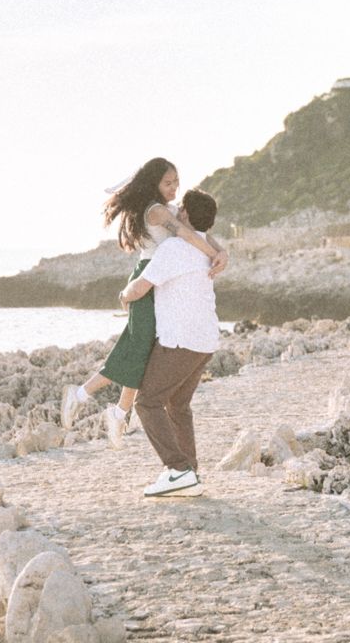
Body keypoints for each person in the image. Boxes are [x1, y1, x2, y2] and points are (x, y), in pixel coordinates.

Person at [60, 158, 227, 446]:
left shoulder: (170, 209)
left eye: (176, 182)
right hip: (148, 276)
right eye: (168, 183)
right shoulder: (156, 211)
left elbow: (200, 232)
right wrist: (214, 255)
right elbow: (187, 234)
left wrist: (223, 252)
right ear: (154, 183)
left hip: (161, 277)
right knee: (139, 349)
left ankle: (114, 410)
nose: (174, 188)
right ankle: (85, 396)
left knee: (144, 351)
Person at [122, 188, 221, 497]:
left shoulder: (175, 248)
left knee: (147, 402)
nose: (176, 210)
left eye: (180, 208)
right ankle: (189, 472)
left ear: (185, 214)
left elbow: (140, 288)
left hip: (181, 340)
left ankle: (178, 469)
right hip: (206, 340)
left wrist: (123, 295)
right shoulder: (207, 249)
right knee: (178, 404)